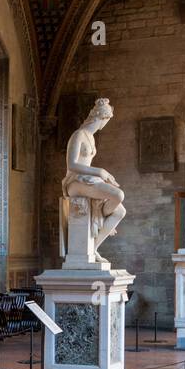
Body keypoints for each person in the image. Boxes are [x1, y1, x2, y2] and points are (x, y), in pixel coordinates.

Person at [60, 97, 124, 263]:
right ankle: (100, 220)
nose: (105, 124)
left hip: (87, 180)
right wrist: (100, 171)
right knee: (118, 195)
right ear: (101, 118)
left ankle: (92, 248)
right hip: (74, 182)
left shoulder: (91, 137)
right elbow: (72, 164)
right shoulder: (78, 135)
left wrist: (99, 175)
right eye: (107, 120)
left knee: (120, 211)